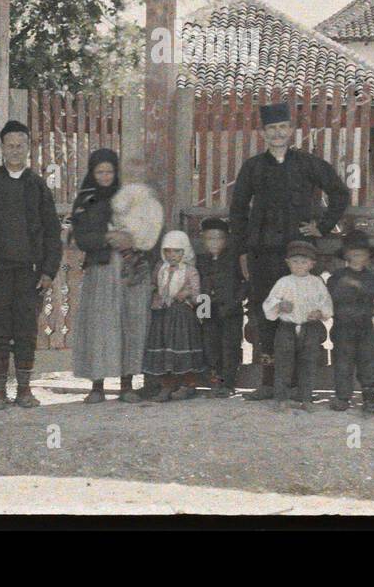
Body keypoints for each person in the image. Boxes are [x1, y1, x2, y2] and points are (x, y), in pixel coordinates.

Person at [229, 102, 350, 400]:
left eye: (282, 127)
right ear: (263, 133)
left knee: (303, 311)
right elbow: (238, 210)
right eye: (271, 128)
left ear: (291, 130)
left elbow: (340, 192)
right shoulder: (253, 167)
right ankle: (271, 382)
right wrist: (243, 250)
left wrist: (322, 227)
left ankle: (301, 384)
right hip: (262, 253)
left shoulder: (308, 163)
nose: (278, 133)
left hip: (300, 253)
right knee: (267, 313)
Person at [0, 120, 62, 411]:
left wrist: (48, 271)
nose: (14, 150)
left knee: (25, 331)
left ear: (28, 148)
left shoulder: (37, 186)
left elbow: (52, 232)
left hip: (29, 274)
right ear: (2, 148)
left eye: (19, 145)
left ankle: (24, 390)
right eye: (9, 145)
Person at [68, 149, 163, 403]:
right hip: (101, 268)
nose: (105, 176)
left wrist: (133, 243)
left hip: (130, 269)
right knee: (101, 326)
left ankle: (127, 385)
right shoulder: (86, 199)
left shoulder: (129, 196)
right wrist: (107, 239)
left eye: (110, 171)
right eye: (100, 171)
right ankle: (97, 386)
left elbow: (148, 228)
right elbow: (81, 236)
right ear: (92, 172)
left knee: (130, 323)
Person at [261, 239, 334, 412]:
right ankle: (281, 398)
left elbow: (326, 303)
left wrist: (320, 313)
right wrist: (279, 306)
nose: (299, 265)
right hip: (287, 327)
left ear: (312, 264)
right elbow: (269, 303)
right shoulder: (284, 282)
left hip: (310, 328)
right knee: (284, 363)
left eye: (304, 262)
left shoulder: (316, 282)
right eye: (295, 261)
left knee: (308, 363)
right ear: (288, 263)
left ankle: (306, 398)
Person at [142, 230, 208, 401]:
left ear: (184, 251)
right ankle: (167, 385)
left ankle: (188, 385)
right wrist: (156, 296)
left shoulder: (190, 271)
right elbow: (153, 286)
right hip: (163, 314)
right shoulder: (160, 268)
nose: (172, 255)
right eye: (168, 251)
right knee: (164, 348)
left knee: (181, 347)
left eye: (177, 251)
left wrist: (186, 293)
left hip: (182, 316)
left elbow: (197, 294)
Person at [327, 230, 374, 414]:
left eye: (362, 252)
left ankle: (369, 398)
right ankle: (343, 397)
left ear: (368, 256)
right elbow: (332, 296)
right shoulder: (337, 277)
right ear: (346, 255)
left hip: (365, 326)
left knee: (367, 361)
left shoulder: (372, 277)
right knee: (343, 361)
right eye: (353, 252)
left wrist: (357, 287)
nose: (357, 255)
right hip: (343, 326)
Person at [196, 217, 244, 397]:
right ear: (203, 240)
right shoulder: (202, 261)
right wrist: (201, 310)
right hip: (208, 309)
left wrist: (235, 302)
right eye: (209, 238)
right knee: (210, 345)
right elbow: (199, 285)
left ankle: (228, 383)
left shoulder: (234, 260)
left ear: (226, 239)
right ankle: (214, 381)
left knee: (230, 346)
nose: (214, 242)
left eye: (219, 238)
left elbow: (245, 283)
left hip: (230, 310)